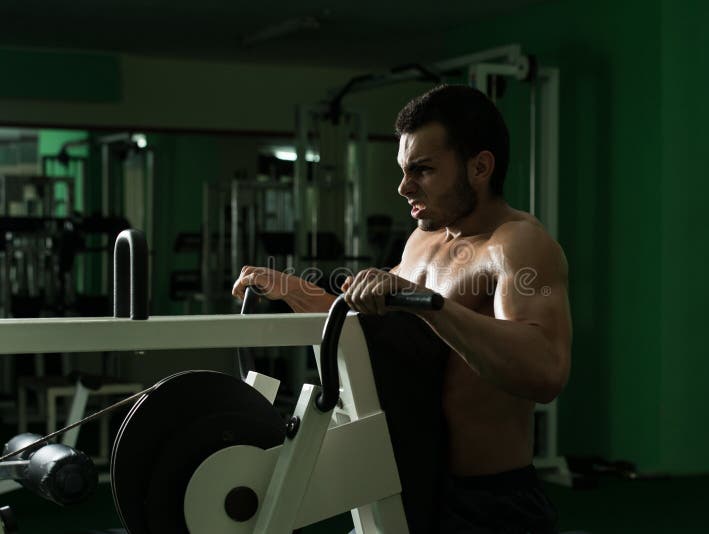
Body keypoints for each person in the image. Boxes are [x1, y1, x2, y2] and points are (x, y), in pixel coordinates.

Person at [232, 84, 572, 533]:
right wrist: (292, 289)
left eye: (423, 170)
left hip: (487, 502)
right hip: (407, 481)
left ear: (480, 167)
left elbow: (545, 370)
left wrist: (428, 306)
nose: (403, 186)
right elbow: (366, 319)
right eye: (403, 170)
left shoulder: (516, 244)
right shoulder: (422, 240)